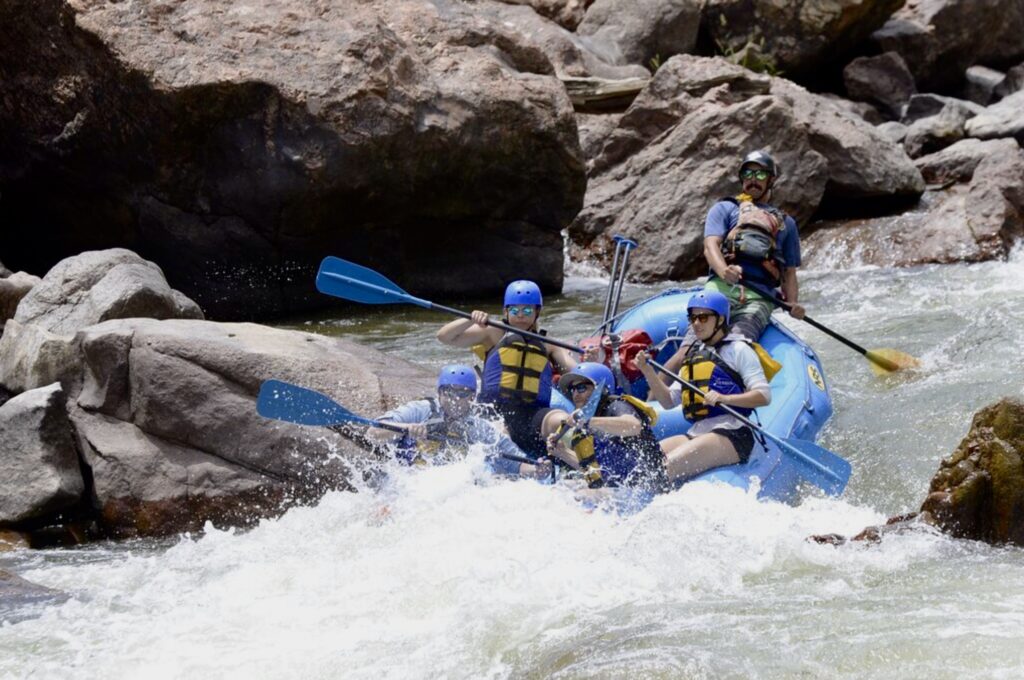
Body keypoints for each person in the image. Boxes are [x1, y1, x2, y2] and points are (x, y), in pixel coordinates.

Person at [635, 291, 771, 484]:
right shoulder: (694, 356)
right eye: (693, 318)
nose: (696, 323)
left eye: (703, 317)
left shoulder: (739, 350)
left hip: (733, 432)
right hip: (697, 431)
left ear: (720, 319)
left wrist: (725, 399)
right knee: (642, 463)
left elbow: (764, 396)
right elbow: (668, 401)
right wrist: (647, 371)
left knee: (663, 469)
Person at [435, 281, 581, 459]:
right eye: (514, 310)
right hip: (494, 411)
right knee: (501, 436)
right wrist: (470, 319)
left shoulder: (549, 344)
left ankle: (585, 463)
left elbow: (577, 373)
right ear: (506, 311)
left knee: (562, 421)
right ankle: (516, 465)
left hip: (532, 414)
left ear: (537, 312)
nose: (520, 315)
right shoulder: (493, 332)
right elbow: (445, 337)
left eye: (527, 311)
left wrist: (592, 361)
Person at [369, 365, 551, 479]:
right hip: (408, 480)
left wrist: (536, 470)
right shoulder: (420, 410)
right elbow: (373, 432)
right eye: (449, 392)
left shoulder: (479, 428)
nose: (455, 399)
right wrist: (405, 428)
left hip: (451, 488)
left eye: (462, 393)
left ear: (472, 397)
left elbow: (516, 463)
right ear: (439, 393)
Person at [702, 150, 805, 342]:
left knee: (738, 344)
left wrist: (792, 303)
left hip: (759, 297)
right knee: (691, 345)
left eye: (760, 174)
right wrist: (724, 271)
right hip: (721, 287)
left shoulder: (786, 223)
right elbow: (710, 246)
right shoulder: (725, 208)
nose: (753, 179)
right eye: (748, 174)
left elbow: (789, 272)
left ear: (771, 180)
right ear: (741, 178)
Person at [545, 363, 667, 493]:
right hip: (624, 489)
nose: (575, 394)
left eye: (581, 388)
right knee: (564, 487)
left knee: (581, 494)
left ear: (601, 389)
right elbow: (597, 470)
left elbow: (634, 426)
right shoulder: (583, 427)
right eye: (572, 389)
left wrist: (589, 421)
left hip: (648, 487)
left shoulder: (616, 406)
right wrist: (563, 452)